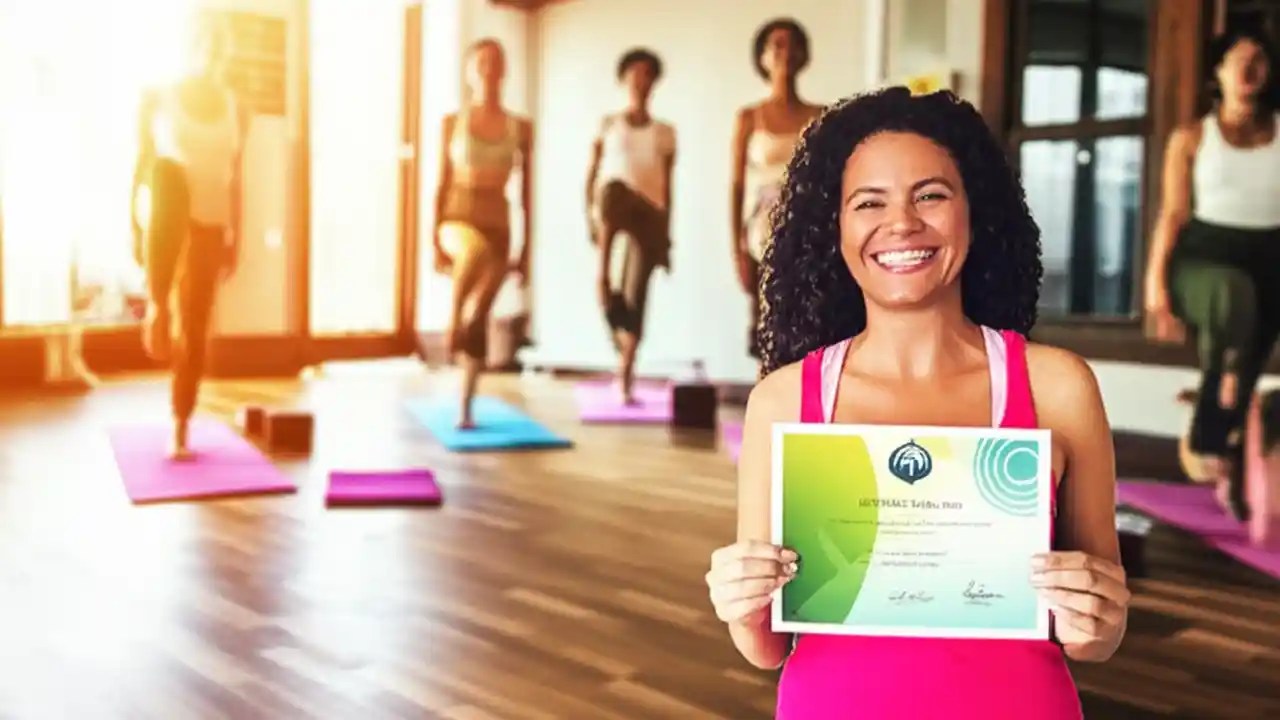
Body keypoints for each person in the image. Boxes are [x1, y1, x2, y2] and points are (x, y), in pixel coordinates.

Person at [704, 88, 1129, 719]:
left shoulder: (1057, 387)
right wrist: (742, 600)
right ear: (836, 229)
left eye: (930, 195)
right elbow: (766, 646)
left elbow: (1097, 639)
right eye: (868, 202)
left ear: (973, 212)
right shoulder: (784, 399)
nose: (900, 223)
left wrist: (1098, 616)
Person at [1144, 28, 1280, 521]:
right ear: (1218, 73)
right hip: (1203, 256)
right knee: (1231, 295)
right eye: (1237, 61)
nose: (1248, 70)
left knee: (1250, 354)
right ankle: (1212, 422)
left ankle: (1227, 463)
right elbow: (1172, 215)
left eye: (1257, 60)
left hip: (1270, 255)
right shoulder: (1193, 137)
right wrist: (1155, 283)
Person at [133, 14, 247, 460]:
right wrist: (133, 221)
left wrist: (237, 235)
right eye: (205, 44)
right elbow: (143, 163)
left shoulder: (237, 106)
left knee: (196, 325)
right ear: (192, 47)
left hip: (210, 223)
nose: (213, 54)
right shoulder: (160, 98)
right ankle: (157, 305)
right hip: (168, 215)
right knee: (167, 171)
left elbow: (237, 178)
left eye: (221, 46)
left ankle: (181, 421)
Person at [433, 38, 533, 429]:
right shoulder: (451, 123)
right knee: (471, 254)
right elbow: (439, 184)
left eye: (495, 63)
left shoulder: (520, 127)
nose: (488, 70)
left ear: (504, 70)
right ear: (470, 71)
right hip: (456, 219)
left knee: (481, 317)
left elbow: (527, 193)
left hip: (498, 225)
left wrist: (526, 250)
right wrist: (432, 241)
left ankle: (465, 407)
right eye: (481, 63)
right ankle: (451, 321)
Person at [585, 48, 676, 405]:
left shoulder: (665, 132)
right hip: (613, 213)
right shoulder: (609, 124)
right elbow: (592, 176)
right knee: (613, 190)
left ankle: (625, 371)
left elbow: (668, 187)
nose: (640, 81)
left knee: (636, 294)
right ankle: (602, 277)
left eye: (647, 74)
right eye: (634, 73)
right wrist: (588, 218)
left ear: (654, 81)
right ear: (624, 79)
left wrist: (667, 236)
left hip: (648, 217)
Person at [730, 18, 823, 360]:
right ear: (763, 57)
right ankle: (766, 396)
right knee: (767, 323)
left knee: (804, 321)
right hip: (762, 229)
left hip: (807, 224)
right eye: (777, 45)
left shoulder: (820, 114)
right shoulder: (749, 118)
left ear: (804, 55)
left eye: (793, 44)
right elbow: (737, 185)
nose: (785, 52)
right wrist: (737, 248)